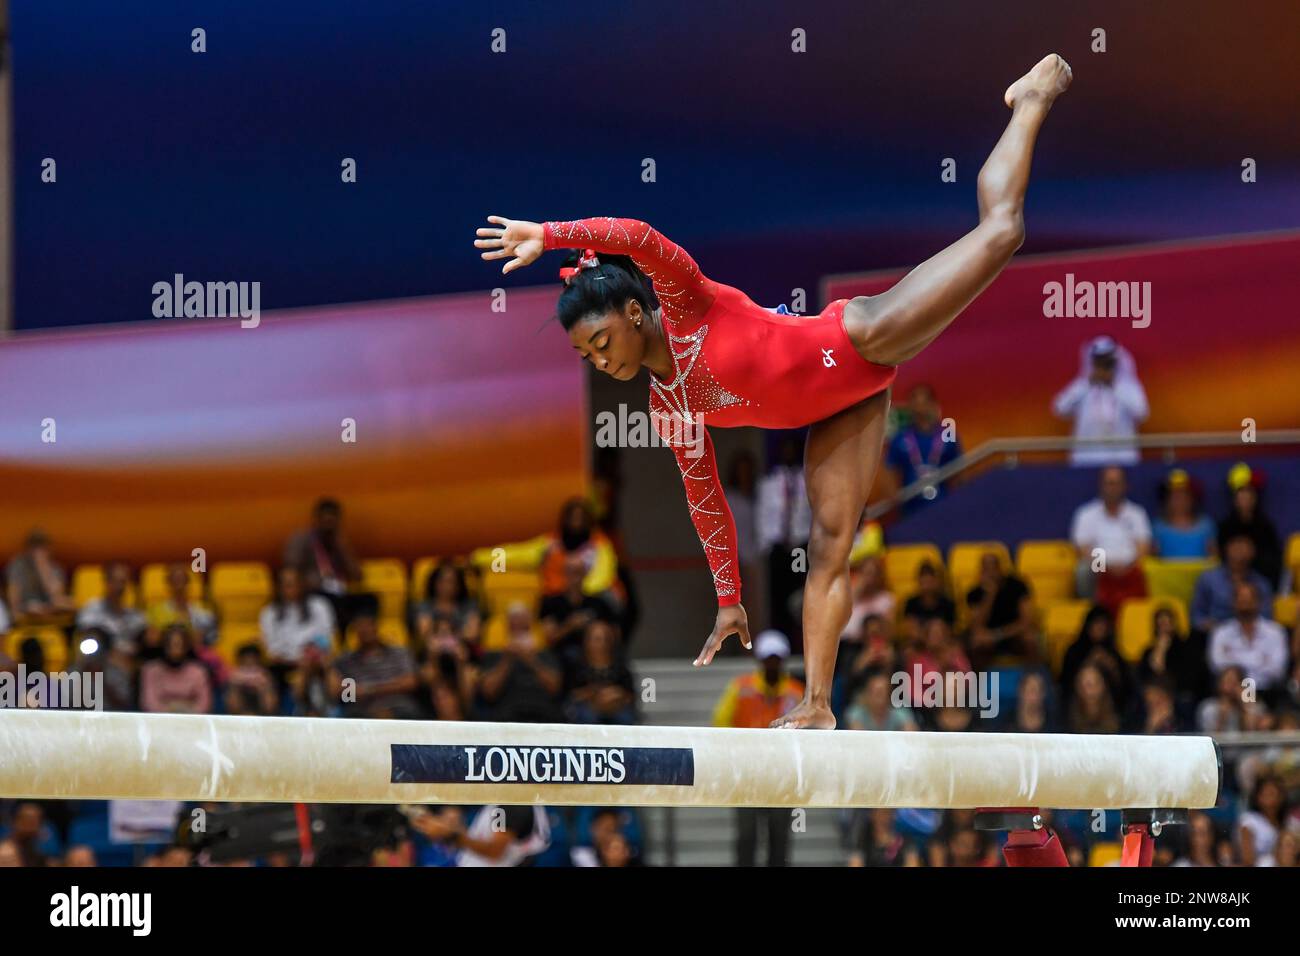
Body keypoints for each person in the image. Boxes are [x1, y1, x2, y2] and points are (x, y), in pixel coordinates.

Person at [475, 54, 1072, 727]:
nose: (600, 359)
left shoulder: (684, 298)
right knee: (828, 548)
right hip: (841, 407)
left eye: (602, 340)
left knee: (1002, 233)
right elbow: (707, 502)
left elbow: (637, 237)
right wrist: (729, 598)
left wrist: (549, 235)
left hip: (860, 337)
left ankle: (1032, 97)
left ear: (633, 314)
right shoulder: (667, 405)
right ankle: (817, 703)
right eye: (587, 354)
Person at [712, 630, 805, 865]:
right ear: (760, 660)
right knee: (746, 835)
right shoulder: (740, 687)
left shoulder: (797, 692)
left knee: (780, 836)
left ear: (783, 660)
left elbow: (808, 733)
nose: (772, 663)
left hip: (782, 776)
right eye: (768, 658)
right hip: (746, 773)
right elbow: (720, 723)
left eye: (776, 658)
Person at [1051, 335, 1149, 466]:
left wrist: (1113, 386)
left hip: (1121, 459)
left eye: (1107, 363)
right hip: (1087, 459)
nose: (1103, 367)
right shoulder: (1082, 386)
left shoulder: (1128, 387)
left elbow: (1142, 413)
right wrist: (1087, 384)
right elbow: (1059, 409)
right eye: (1099, 363)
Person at [282, 498, 376, 632]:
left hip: (339, 592)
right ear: (317, 519)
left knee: (370, 599)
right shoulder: (301, 540)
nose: (328, 525)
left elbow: (358, 576)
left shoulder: (339, 542)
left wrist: (342, 548)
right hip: (315, 592)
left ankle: (361, 637)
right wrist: (312, 580)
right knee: (327, 602)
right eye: (325, 521)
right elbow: (291, 571)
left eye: (332, 521)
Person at [1069, 466, 1151, 614]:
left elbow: (1143, 547)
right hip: (1100, 566)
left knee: (1149, 568)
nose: (1112, 488)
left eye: (1116, 483)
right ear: (1101, 485)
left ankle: (1137, 614)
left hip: (1130, 567)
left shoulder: (1137, 513)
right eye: (1109, 483)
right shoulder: (1086, 514)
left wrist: (1126, 565)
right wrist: (1107, 566)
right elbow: (1083, 549)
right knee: (1083, 569)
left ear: (1125, 486)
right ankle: (1093, 612)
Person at [757, 435, 812, 642]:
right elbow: (762, 516)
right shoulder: (769, 483)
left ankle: (802, 639)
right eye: (785, 449)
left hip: (799, 546)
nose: (788, 454)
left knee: (800, 592)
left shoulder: (806, 480)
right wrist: (766, 547)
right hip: (778, 548)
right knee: (778, 596)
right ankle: (779, 637)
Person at [886, 384, 963, 512]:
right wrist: (893, 496)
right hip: (911, 509)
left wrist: (957, 500)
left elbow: (959, 471)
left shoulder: (948, 435)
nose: (919, 408)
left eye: (923, 402)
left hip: (944, 505)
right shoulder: (900, 438)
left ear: (933, 404)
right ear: (909, 406)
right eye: (915, 403)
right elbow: (890, 468)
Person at [330, 613, 420, 719]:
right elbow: (342, 693)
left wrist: (369, 690)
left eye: (367, 626)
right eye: (360, 627)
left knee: (410, 712)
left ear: (375, 627)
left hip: (398, 706)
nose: (364, 630)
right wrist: (354, 692)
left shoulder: (399, 653)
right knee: (350, 714)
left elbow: (410, 682)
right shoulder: (346, 660)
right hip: (363, 710)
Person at [1207, 582, 1289, 697]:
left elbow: (1277, 671)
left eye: (1249, 601)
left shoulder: (1275, 632)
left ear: (1259, 602)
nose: (1245, 605)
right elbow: (1217, 665)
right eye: (1241, 601)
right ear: (1233, 603)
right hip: (1230, 693)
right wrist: (1260, 660)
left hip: (1266, 693)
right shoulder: (1221, 632)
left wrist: (1235, 659)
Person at [963, 552, 1038, 668]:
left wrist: (998, 635)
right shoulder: (974, 593)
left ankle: (1034, 679)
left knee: (1030, 638)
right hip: (988, 637)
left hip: (1012, 633)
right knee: (975, 642)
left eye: (993, 567)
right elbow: (977, 626)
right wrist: (990, 595)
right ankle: (980, 683)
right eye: (986, 569)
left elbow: (1026, 621)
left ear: (1001, 568)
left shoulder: (1018, 586)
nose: (991, 573)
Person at [1191, 534, 1274, 634]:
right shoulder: (1208, 579)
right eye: (1236, 545)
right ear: (1227, 549)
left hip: (1253, 636)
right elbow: (1197, 615)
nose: (1239, 550)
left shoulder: (1262, 584)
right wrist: (1209, 626)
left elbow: (1267, 618)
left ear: (1253, 551)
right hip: (1212, 634)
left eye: (1244, 545)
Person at [1217, 463, 1283, 589]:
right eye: (1241, 493)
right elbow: (1219, 558)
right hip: (1229, 580)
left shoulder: (1265, 526)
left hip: (1257, 580)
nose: (1245, 497)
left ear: (1256, 497)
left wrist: (1251, 555)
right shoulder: (1226, 526)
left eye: (1249, 493)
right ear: (1234, 497)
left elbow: (1273, 561)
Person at [564, 619, 636, 724]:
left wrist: (617, 694)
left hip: (616, 707)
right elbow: (569, 695)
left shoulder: (620, 666)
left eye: (605, 639)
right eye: (596, 639)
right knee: (587, 717)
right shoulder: (576, 666)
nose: (601, 644)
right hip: (586, 708)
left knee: (625, 717)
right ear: (586, 641)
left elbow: (631, 695)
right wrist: (594, 694)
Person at [75, 561, 147, 655]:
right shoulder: (92, 609)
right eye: (114, 581)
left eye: (122, 582)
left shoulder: (136, 616)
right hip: (100, 661)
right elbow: (87, 635)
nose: (119, 587)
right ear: (106, 581)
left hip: (128, 662)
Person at [5, 528, 75, 623]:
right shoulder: (18, 566)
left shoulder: (56, 568)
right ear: (28, 549)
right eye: (35, 547)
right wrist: (20, 611)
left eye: (43, 548)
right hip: (25, 613)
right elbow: (13, 597)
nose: (38, 552)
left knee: (67, 604)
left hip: (51, 614)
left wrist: (44, 569)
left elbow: (58, 597)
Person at [139, 625, 213, 714]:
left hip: (192, 722)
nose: (174, 650)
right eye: (170, 645)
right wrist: (178, 708)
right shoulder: (150, 670)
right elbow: (149, 703)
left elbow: (204, 705)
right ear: (163, 645)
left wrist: (178, 709)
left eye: (179, 645)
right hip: (159, 722)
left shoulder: (198, 672)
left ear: (186, 647)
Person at [145, 563, 216, 648]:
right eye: (174, 580)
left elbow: (208, 640)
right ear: (168, 583)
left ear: (188, 583)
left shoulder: (201, 612)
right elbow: (152, 639)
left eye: (182, 580)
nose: (178, 584)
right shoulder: (155, 610)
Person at [1151, 469, 1217, 559]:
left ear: (1193, 499)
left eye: (1184, 495)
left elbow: (1214, 559)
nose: (1179, 501)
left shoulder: (1206, 525)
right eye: (1174, 496)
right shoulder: (1158, 527)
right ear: (1166, 500)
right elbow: (1153, 560)